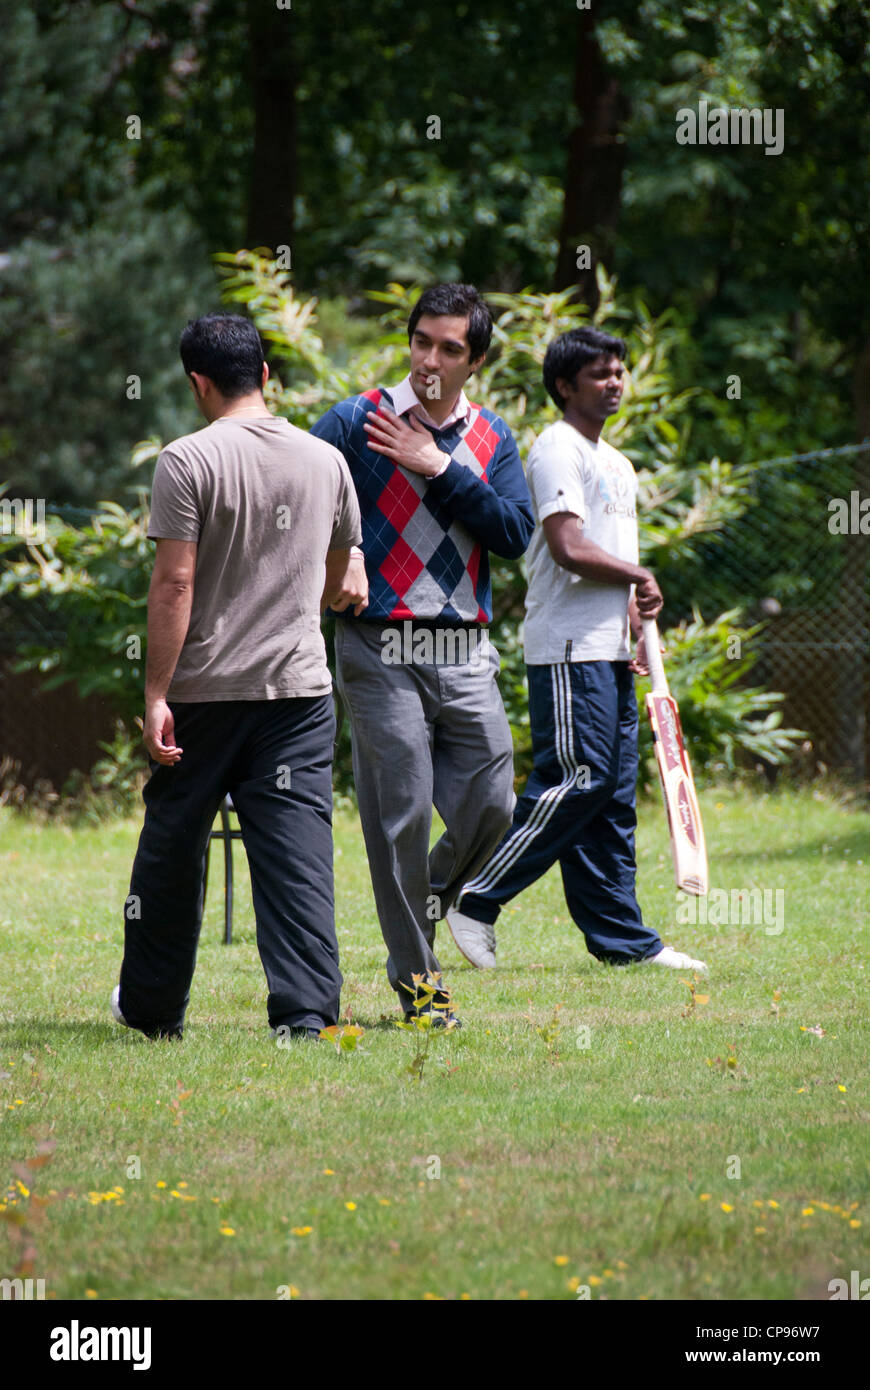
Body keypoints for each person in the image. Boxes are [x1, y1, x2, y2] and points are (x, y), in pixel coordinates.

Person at [112, 312, 366, 1041]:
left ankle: (154, 1011)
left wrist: (157, 692)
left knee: (171, 848)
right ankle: (306, 1016)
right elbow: (336, 583)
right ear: (264, 375)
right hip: (299, 695)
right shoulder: (327, 460)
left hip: (204, 696)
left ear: (198, 382)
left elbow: (174, 584)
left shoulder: (186, 460)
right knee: (296, 854)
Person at [446, 327, 708, 973]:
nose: (614, 381)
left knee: (612, 798)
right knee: (578, 779)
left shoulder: (615, 460)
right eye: (599, 374)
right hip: (566, 651)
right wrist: (641, 579)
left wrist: (636, 627)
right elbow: (568, 547)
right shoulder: (556, 448)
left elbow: (615, 559)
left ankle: (625, 943)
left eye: (618, 371)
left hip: (610, 648)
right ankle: (476, 900)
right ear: (565, 386)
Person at [310, 283, 535, 1022]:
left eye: (450, 349)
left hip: (463, 643)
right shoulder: (353, 421)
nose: (431, 360)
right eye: (421, 342)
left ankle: (426, 899)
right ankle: (418, 980)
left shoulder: (493, 438)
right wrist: (339, 555)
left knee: (494, 801)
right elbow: (300, 501)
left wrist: (438, 467)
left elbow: (512, 532)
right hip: (378, 641)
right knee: (400, 811)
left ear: (475, 360)